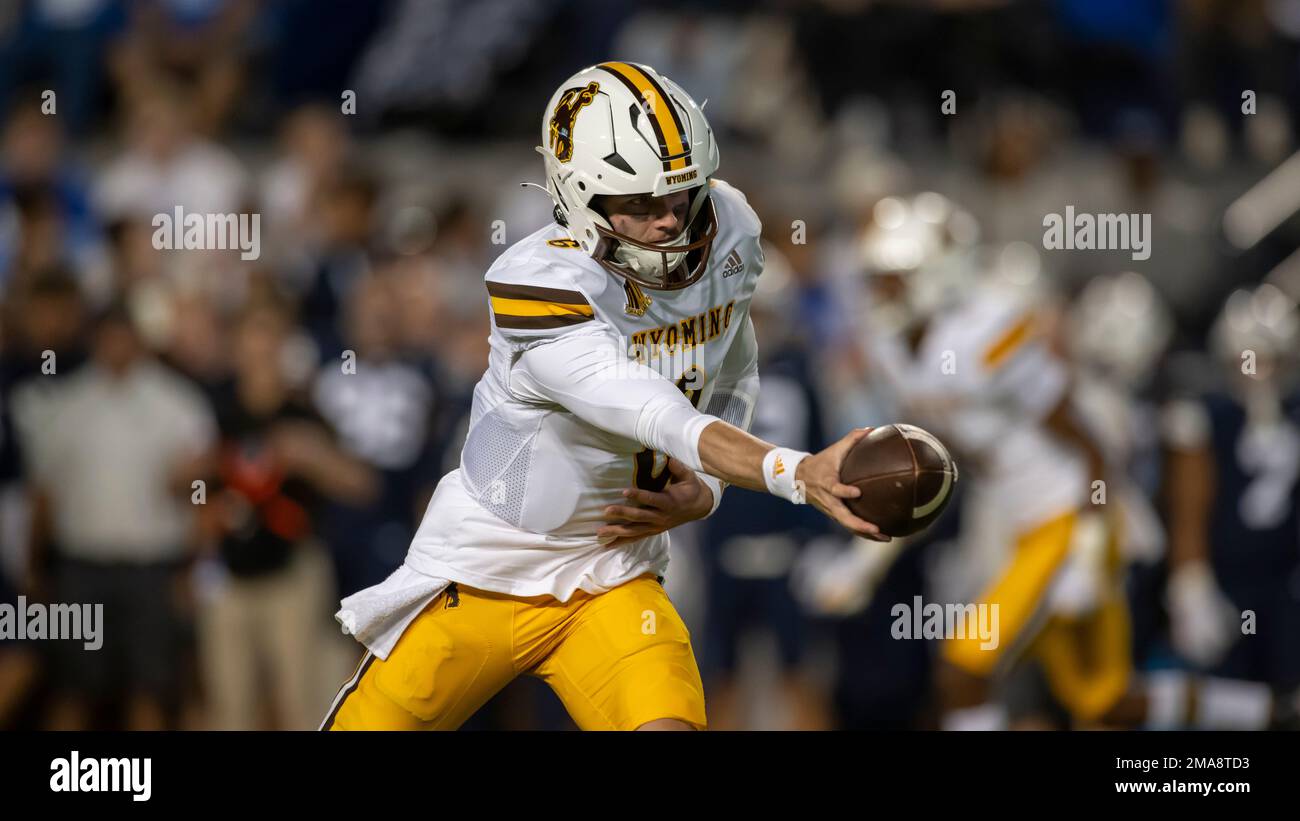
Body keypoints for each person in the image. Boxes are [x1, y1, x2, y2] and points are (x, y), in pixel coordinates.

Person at [323, 62, 885, 732]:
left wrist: (709, 483)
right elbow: (653, 410)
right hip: (488, 569)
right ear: (578, 198)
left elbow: (731, 365)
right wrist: (796, 472)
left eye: (680, 195)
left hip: (610, 572)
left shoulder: (729, 226)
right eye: (641, 204)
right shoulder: (538, 281)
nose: (670, 221)